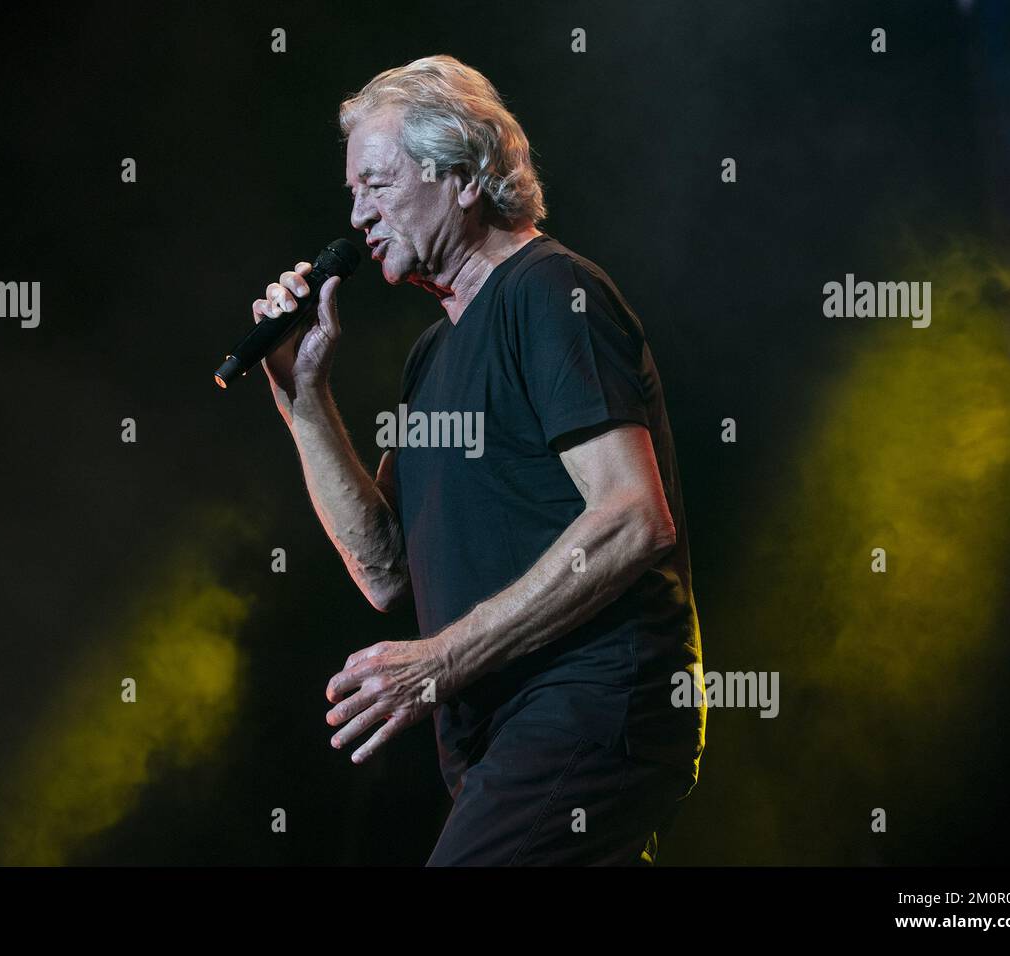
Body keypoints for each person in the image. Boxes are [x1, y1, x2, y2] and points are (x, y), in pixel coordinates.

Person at [249, 55, 706, 865]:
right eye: (353, 190)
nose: (357, 215)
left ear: (462, 175)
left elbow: (634, 518)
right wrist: (300, 392)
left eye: (377, 184)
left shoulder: (551, 291)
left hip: (588, 703)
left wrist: (442, 659)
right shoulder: (433, 355)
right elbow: (384, 570)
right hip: (502, 738)